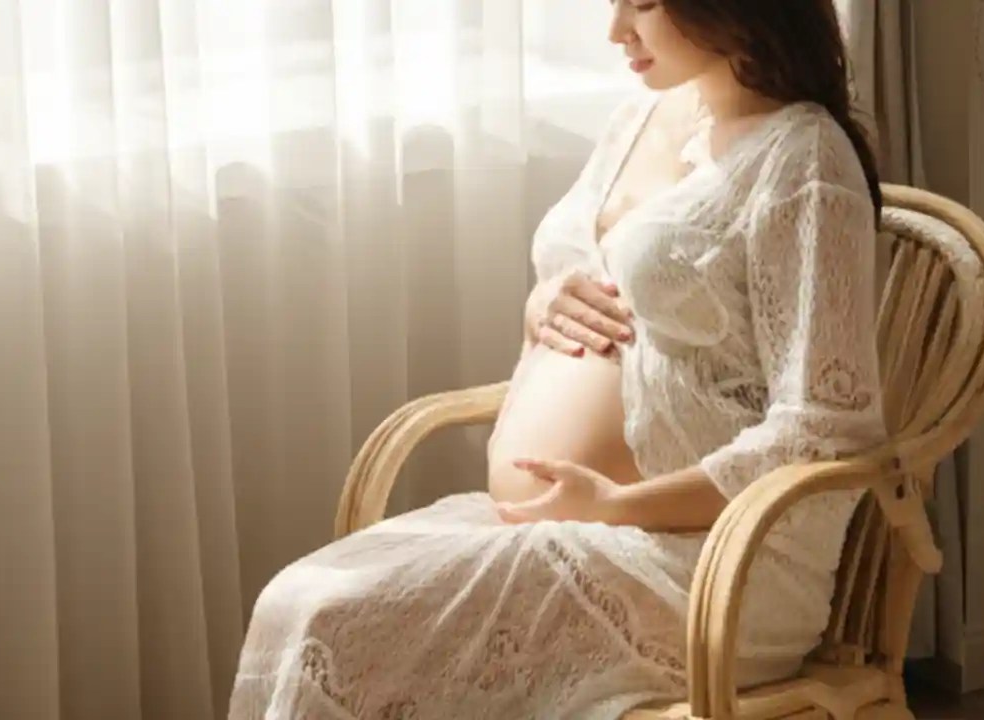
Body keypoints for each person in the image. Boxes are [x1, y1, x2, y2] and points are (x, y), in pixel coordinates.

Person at [230, 0, 886, 717]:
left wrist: (618, 507)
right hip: (572, 529)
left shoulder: (805, 162)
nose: (615, 32)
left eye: (642, 4)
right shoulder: (647, 115)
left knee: (337, 624)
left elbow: (826, 426)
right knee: (295, 604)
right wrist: (544, 302)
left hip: (704, 564)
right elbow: (582, 270)